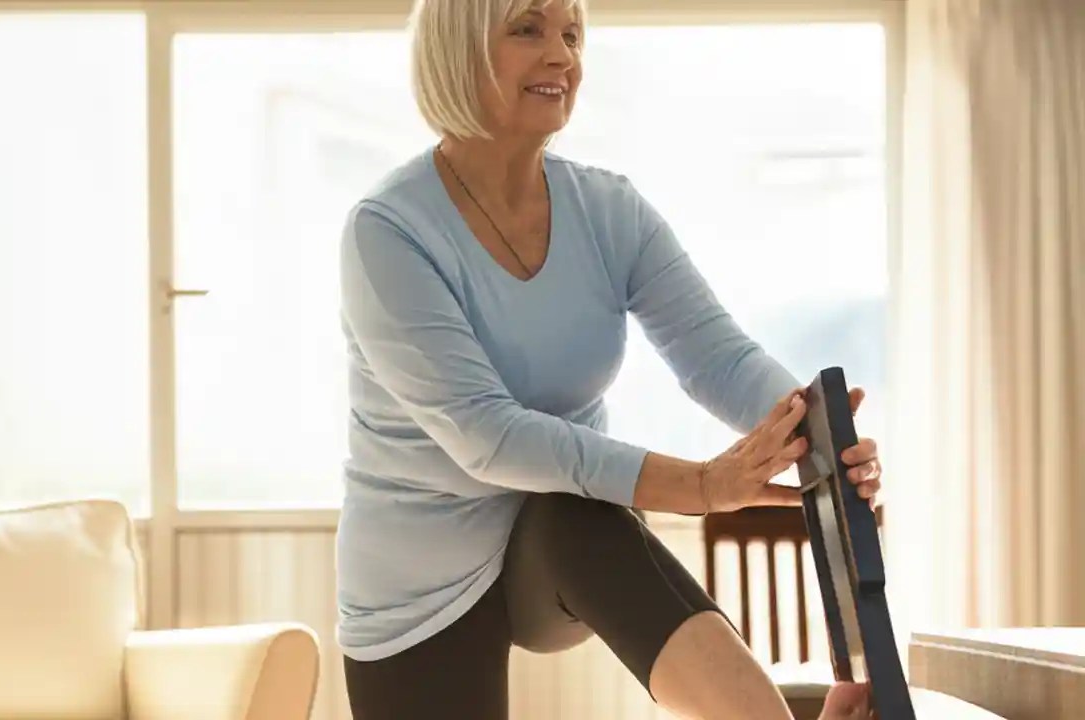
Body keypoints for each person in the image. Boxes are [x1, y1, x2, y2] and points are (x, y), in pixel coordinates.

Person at [336, 0, 885, 718]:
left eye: (571, 33)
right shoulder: (388, 230)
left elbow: (716, 356)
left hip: (560, 544)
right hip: (418, 581)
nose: (562, 56)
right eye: (528, 29)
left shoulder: (608, 211)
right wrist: (702, 485)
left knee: (578, 515)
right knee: (576, 503)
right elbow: (488, 436)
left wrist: (816, 438)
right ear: (459, 47)